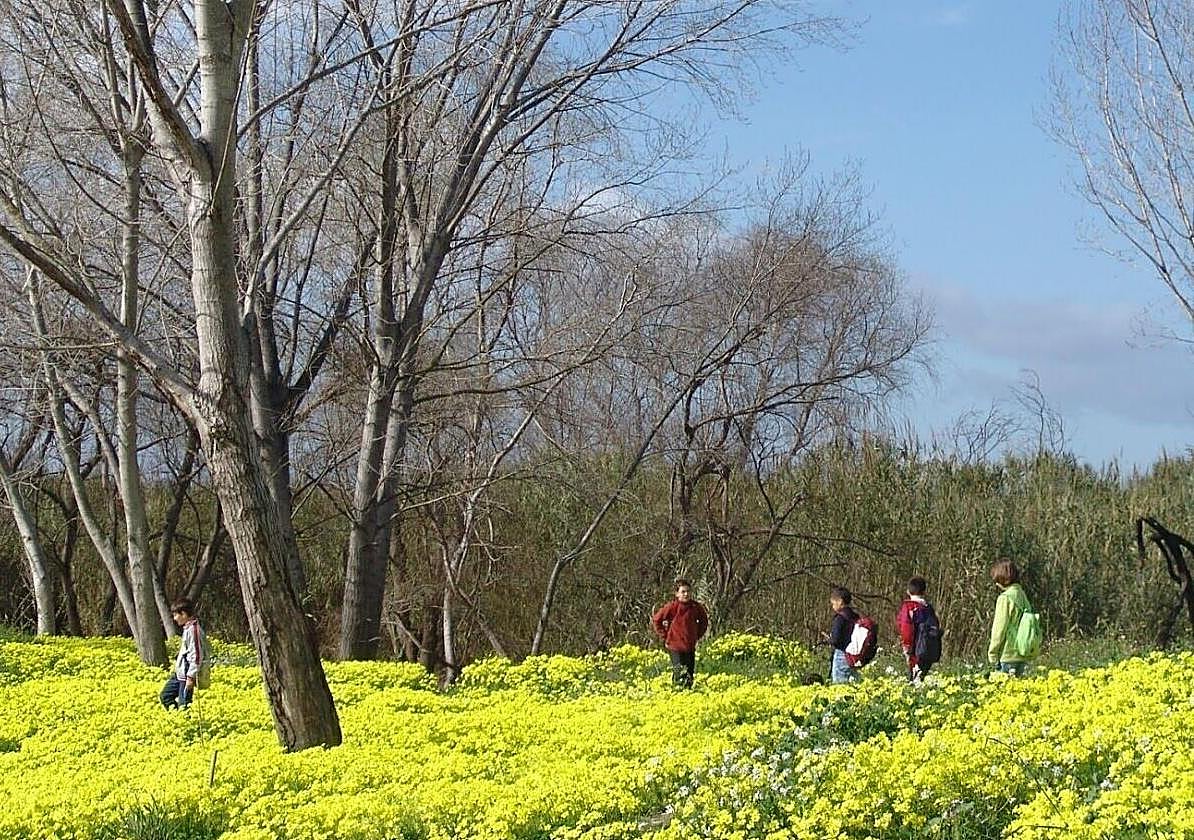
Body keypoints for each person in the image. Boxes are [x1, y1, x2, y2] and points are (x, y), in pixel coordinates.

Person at [651, 578, 709, 688]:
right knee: (679, 673)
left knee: (689, 675)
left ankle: (687, 694)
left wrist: (696, 635)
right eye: (683, 592)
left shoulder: (695, 607)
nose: (686, 594)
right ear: (677, 594)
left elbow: (704, 622)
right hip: (675, 646)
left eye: (688, 591)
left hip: (690, 646)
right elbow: (657, 620)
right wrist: (666, 636)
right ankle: (676, 692)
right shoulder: (672, 607)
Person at [160, 598, 208, 709]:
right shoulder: (188, 628)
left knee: (184, 705)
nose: (174, 618)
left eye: (176, 615)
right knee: (165, 696)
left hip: (187, 676)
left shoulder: (194, 630)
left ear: (184, 614)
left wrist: (191, 677)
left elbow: (197, 656)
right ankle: (177, 717)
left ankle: (184, 718)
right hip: (180, 674)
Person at [987, 559, 1031, 677]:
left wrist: (992, 653)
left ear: (1003, 579)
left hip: (1006, 655)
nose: (996, 583)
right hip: (1022, 654)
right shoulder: (1022, 595)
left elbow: (999, 629)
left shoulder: (1005, 598)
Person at [895, 576, 933, 682]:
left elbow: (906, 627)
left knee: (913, 675)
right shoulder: (928, 608)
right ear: (924, 592)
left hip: (914, 647)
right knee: (922, 674)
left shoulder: (908, 607)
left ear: (908, 591)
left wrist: (907, 646)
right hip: (927, 648)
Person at [826, 586, 859, 684]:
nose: (833, 606)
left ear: (840, 602)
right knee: (853, 686)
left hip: (841, 654)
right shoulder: (855, 616)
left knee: (839, 686)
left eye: (833, 603)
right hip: (853, 655)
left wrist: (829, 639)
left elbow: (836, 640)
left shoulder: (840, 618)